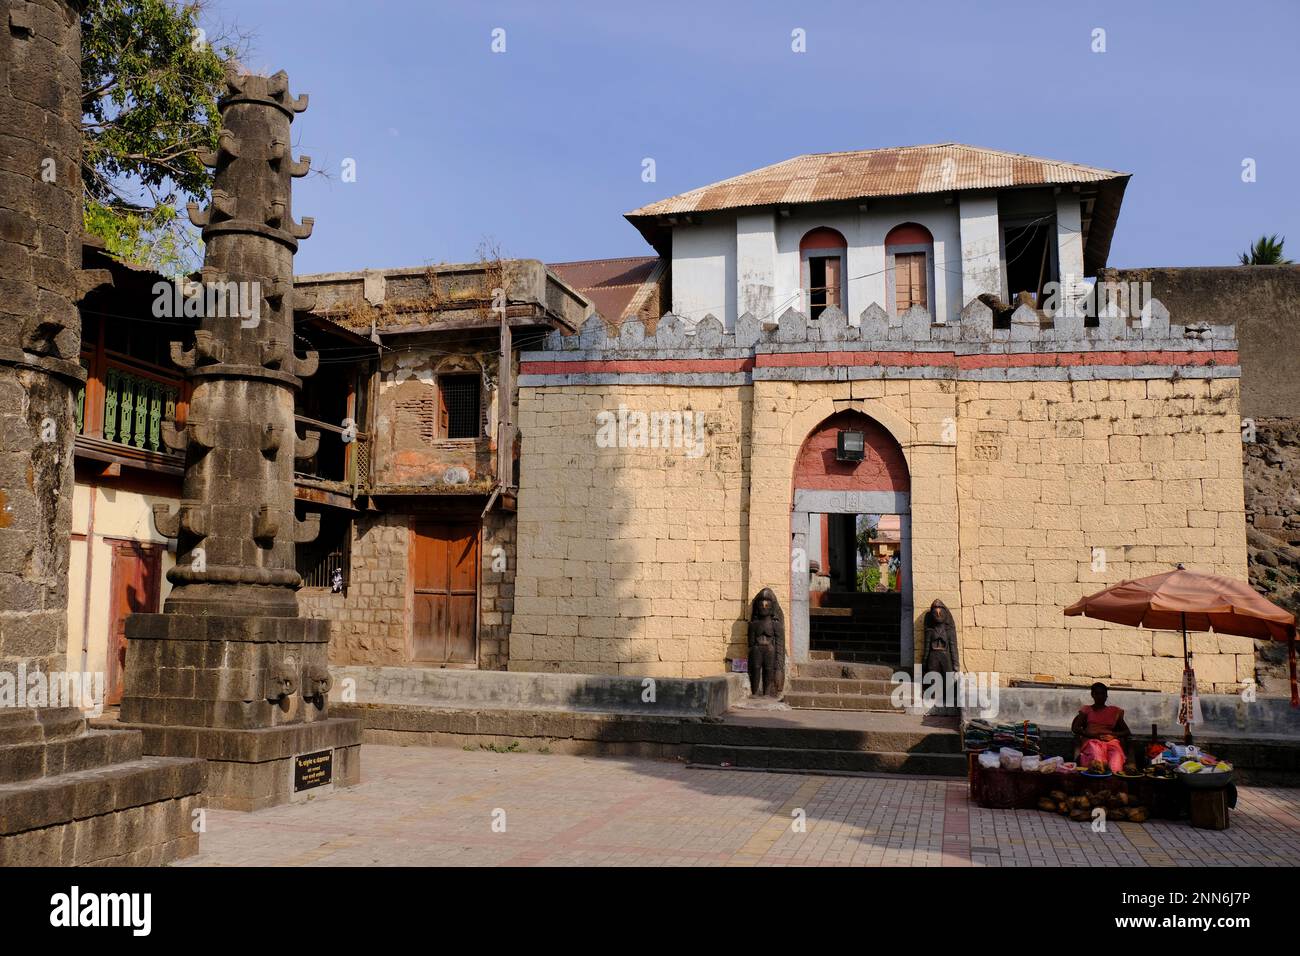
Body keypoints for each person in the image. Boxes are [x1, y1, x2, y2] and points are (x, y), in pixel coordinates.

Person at [1071, 682, 1131, 773]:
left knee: (1116, 761)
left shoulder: (1114, 711)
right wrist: (1092, 735)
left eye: (1102, 694)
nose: (1100, 696)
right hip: (1091, 741)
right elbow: (1075, 728)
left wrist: (1113, 736)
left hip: (1111, 742)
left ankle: (1113, 782)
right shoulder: (1087, 709)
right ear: (1092, 695)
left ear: (1106, 696)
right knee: (1097, 759)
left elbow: (1127, 731)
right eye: (1097, 694)